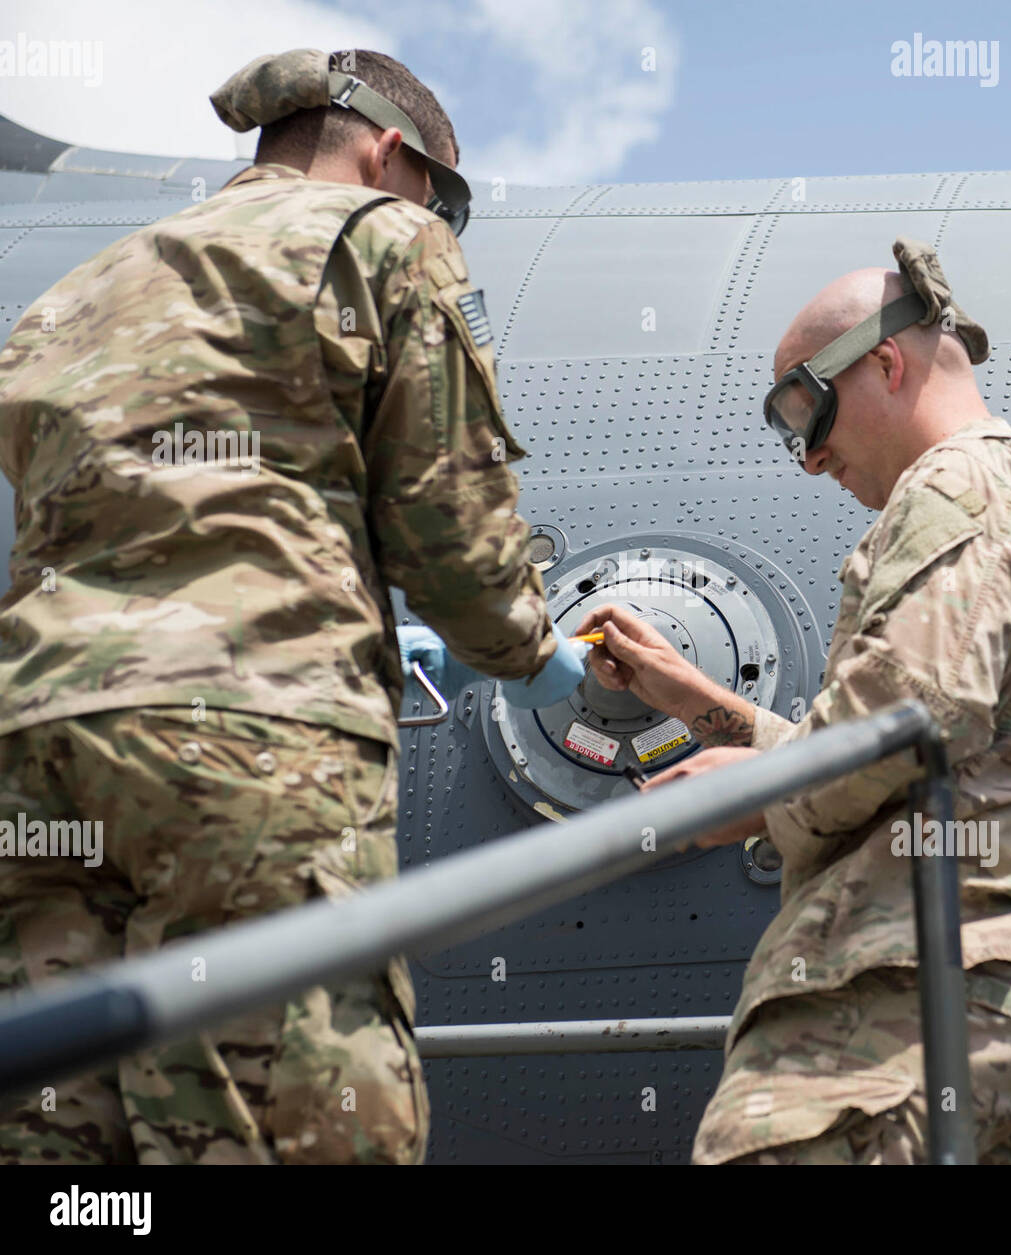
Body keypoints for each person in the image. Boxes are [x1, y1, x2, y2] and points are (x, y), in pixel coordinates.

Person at [0, 47, 584, 1164]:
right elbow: (448, 524)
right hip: (247, 733)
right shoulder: (380, 235)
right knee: (291, 1109)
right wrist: (528, 649)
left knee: (66, 1140)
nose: (442, 218)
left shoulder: (82, 287)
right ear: (388, 152)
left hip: (38, 745)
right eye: (444, 195)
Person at [576, 238, 1011, 1164]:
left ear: (885, 361)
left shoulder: (963, 479)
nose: (811, 454)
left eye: (807, 405)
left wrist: (746, 794)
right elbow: (917, 746)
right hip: (957, 1004)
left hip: (889, 1014)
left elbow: (908, 719)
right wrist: (703, 702)